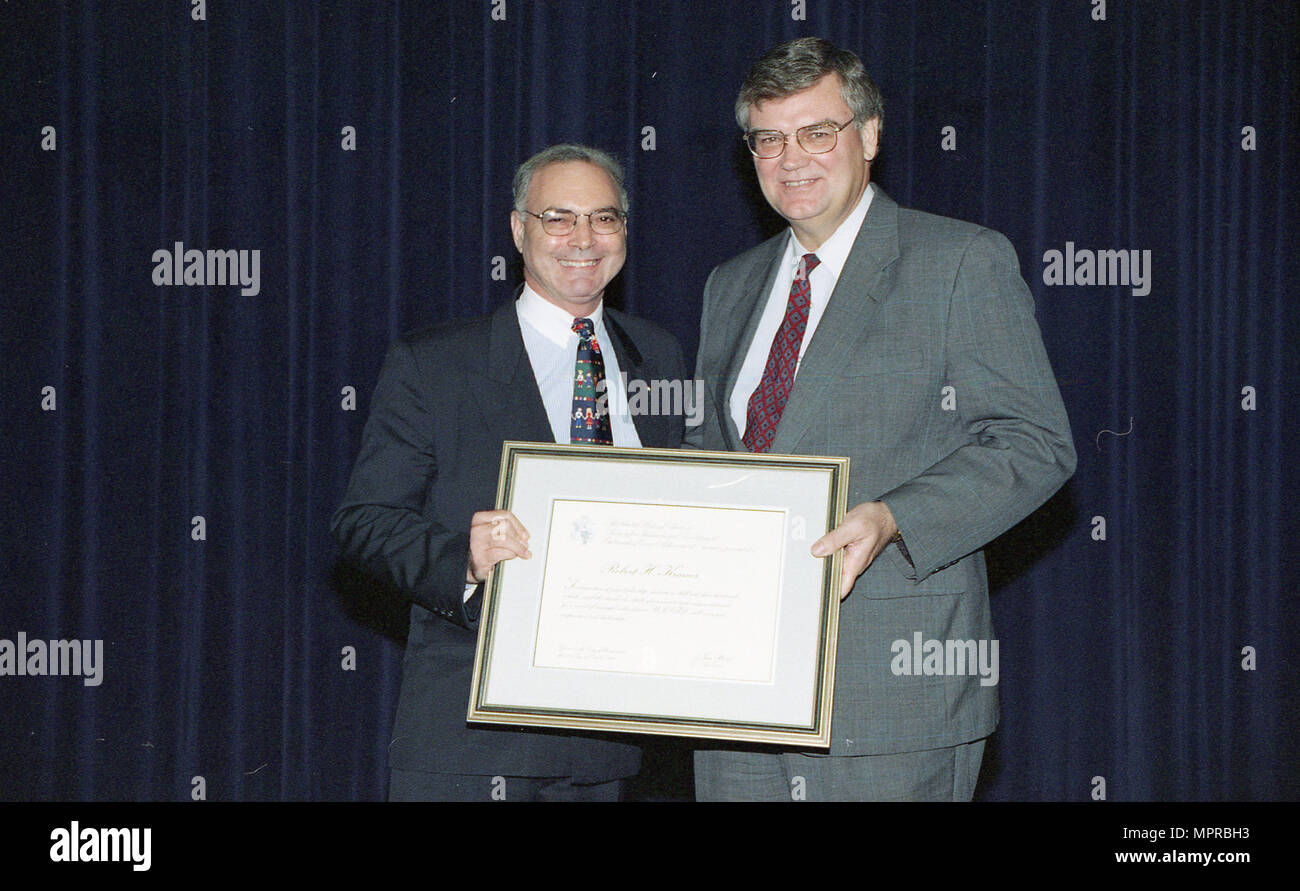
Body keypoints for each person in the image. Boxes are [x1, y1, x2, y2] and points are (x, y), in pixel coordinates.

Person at [687, 37, 1076, 801]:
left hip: (891, 693)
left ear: (868, 135)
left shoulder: (960, 260)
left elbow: (1036, 444)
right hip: (736, 695)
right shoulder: (728, 286)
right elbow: (713, 458)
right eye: (769, 138)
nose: (791, 157)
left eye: (816, 132)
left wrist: (894, 516)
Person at [332, 144, 688, 801]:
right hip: (470, 733)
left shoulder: (659, 356)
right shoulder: (434, 363)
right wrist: (460, 561)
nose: (583, 238)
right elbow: (364, 522)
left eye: (604, 218)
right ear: (519, 230)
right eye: (559, 218)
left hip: (613, 745)